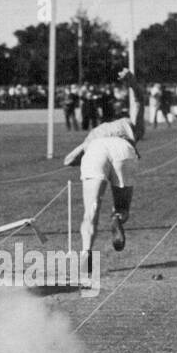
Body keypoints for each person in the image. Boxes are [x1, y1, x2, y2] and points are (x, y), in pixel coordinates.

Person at [63, 69, 145, 274]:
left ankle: (86, 253)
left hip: (95, 151)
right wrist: (132, 82)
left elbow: (68, 160)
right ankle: (117, 218)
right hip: (123, 149)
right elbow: (139, 101)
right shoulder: (131, 126)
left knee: (90, 211)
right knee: (122, 207)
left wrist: (81, 159)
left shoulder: (94, 134)